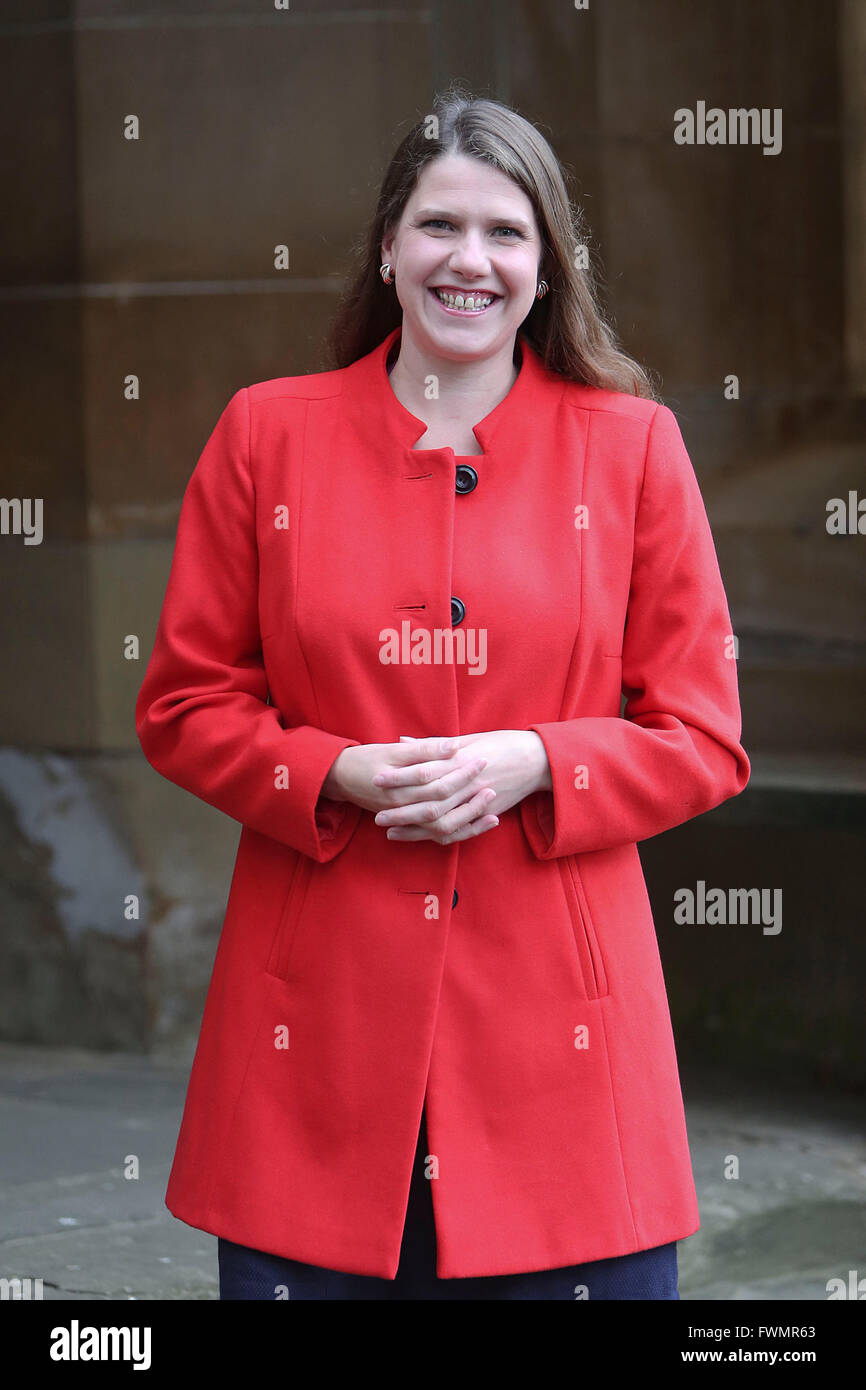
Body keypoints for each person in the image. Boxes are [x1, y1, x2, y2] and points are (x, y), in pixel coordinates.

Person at [135, 87, 750, 1301]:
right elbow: (183, 703)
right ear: (387, 246)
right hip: (312, 1042)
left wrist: (539, 759)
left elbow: (702, 735)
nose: (468, 259)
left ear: (545, 266)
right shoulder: (265, 436)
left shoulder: (632, 448)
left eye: (506, 232)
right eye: (437, 225)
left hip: (564, 1061)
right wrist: (332, 771)